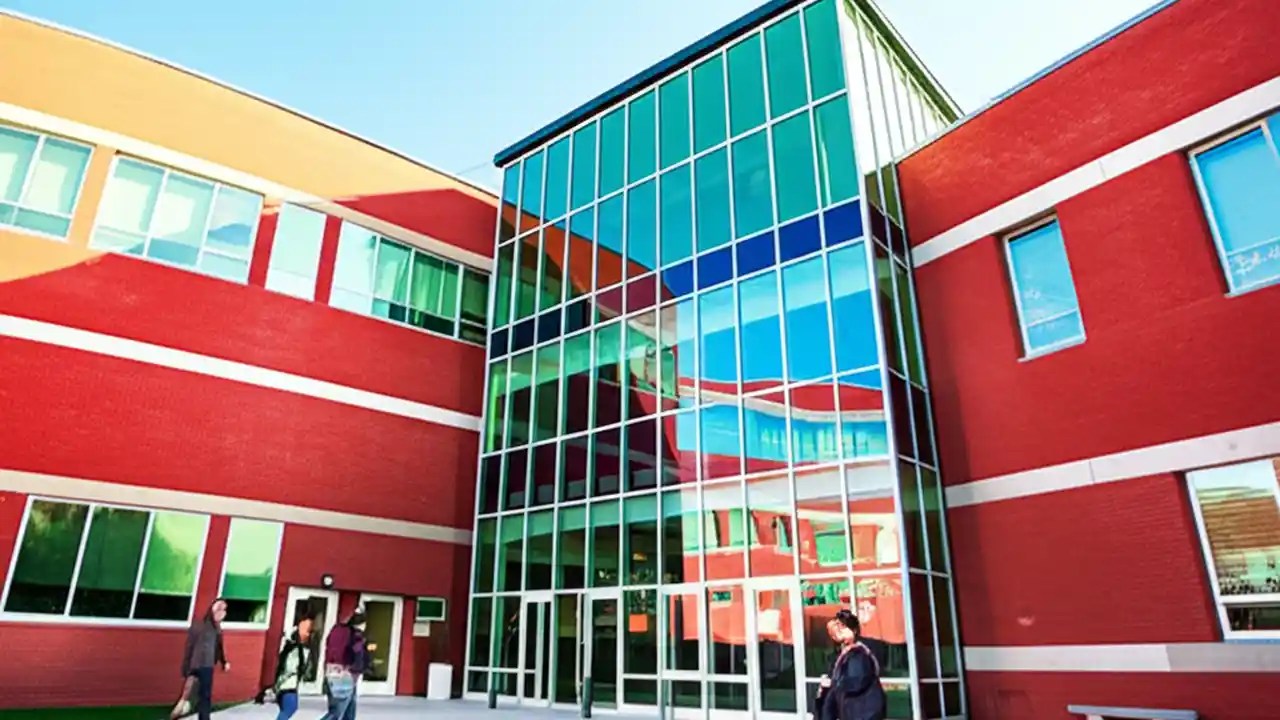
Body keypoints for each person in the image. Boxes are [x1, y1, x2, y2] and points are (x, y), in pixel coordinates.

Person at [813, 609, 886, 720]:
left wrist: (833, 683)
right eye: (835, 630)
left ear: (854, 629)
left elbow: (856, 681)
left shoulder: (860, 653)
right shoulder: (841, 654)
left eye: (842, 627)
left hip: (861, 712)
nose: (838, 632)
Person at [175, 598, 230, 720]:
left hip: (207, 665)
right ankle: (181, 711)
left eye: (224, 610)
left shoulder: (218, 629)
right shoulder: (198, 625)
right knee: (190, 693)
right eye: (218, 609)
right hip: (197, 664)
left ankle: (201, 716)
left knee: (204, 695)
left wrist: (224, 662)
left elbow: (219, 648)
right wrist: (185, 666)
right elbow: (189, 646)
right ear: (212, 609)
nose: (221, 612)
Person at [320, 609, 377, 720]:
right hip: (347, 675)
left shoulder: (337, 630)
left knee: (347, 711)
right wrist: (365, 667)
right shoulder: (356, 635)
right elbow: (357, 654)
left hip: (331, 673)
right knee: (336, 713)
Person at [269, 615, 314, 719]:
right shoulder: (295, 650)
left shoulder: (297, 649)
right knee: (290, 708)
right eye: (305, 630)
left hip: (286, 684)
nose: (307, 633)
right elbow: (290, 668)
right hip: (287, 684)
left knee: (287, 709)